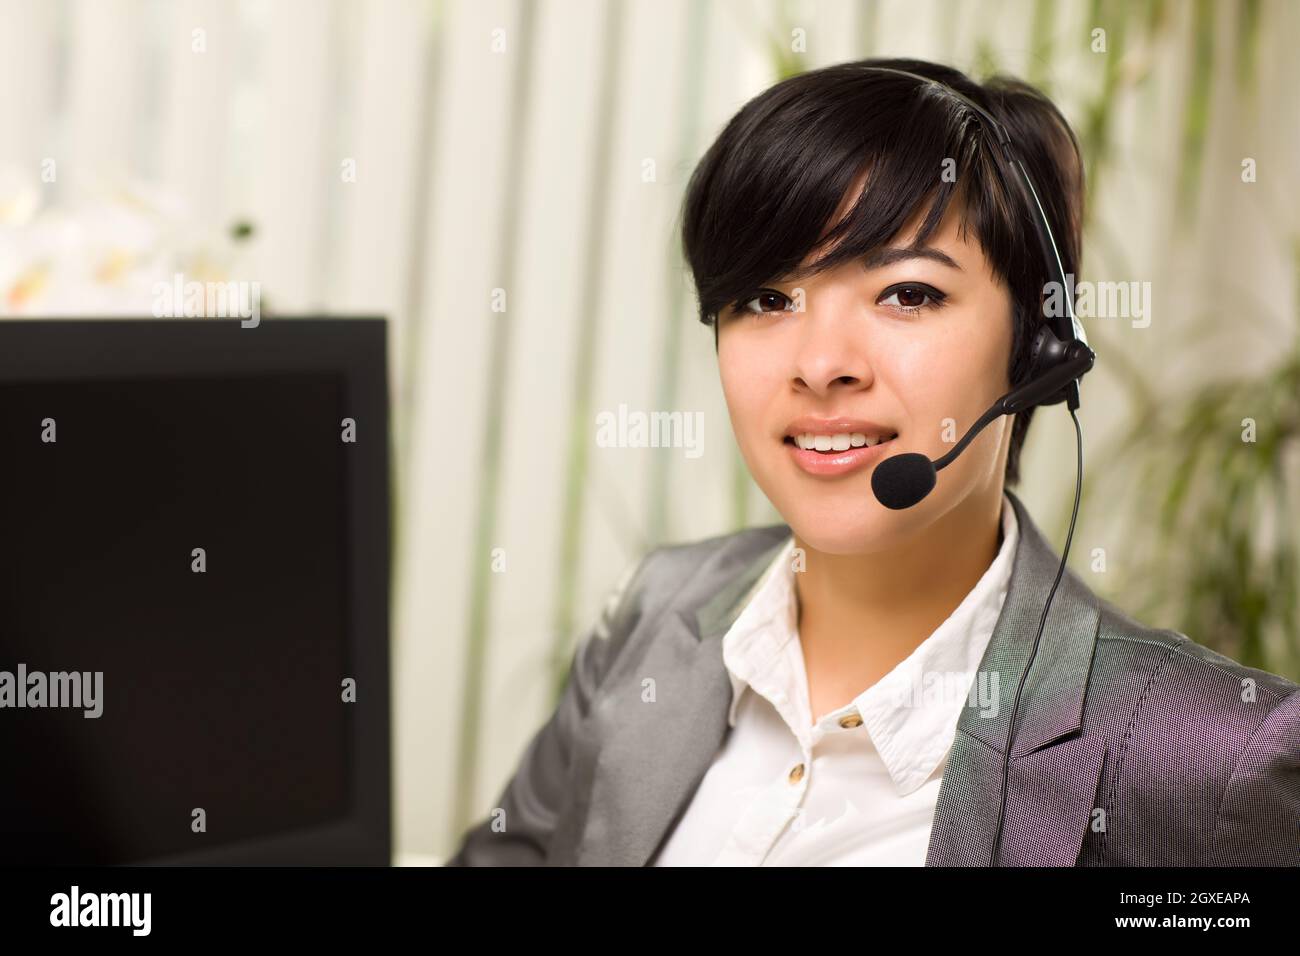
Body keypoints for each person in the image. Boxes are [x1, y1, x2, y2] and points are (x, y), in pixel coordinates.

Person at [446, 57, 1300, 866]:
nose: (821, 364)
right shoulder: (654, 614)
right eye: (767, 299)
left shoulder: (1209, 756)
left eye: (907, 293)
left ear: (1038, 350)